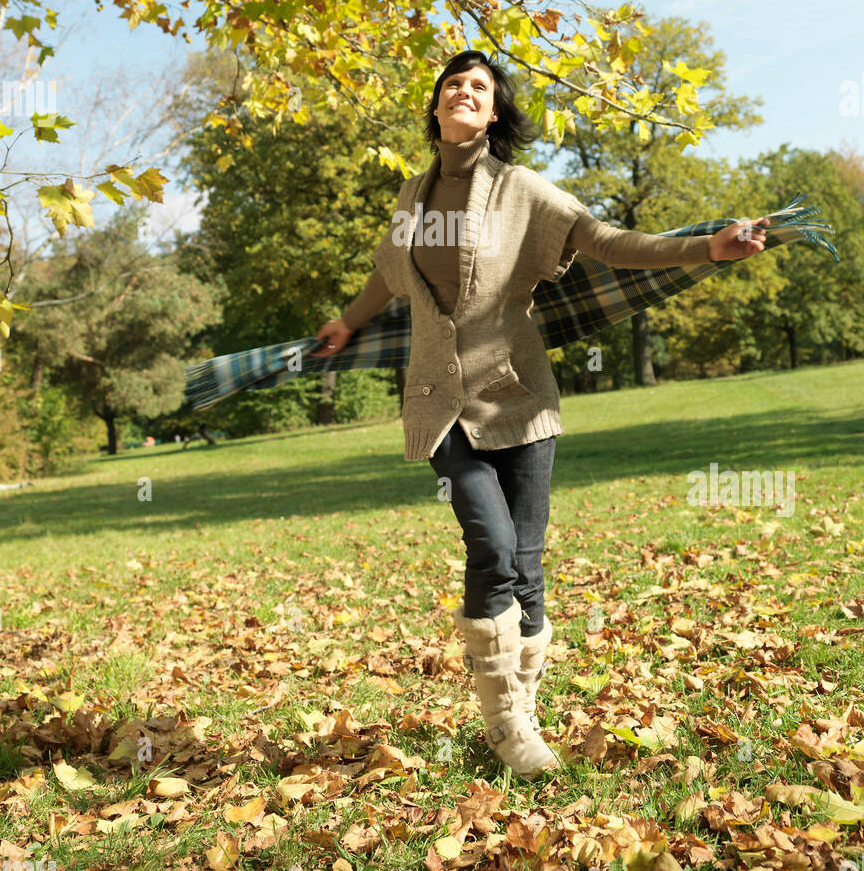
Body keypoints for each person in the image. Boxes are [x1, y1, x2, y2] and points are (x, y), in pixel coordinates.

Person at [313, 51, 769, 779]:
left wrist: (704, 250)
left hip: (521, 401)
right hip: (441, 403)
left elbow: (605, 240)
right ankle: (506, 726)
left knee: (525, 565)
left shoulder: (520, 190)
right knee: (491, 547)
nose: (464, 92)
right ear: (436, 108)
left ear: (493, 115)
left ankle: (519, 712)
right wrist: (345, 321)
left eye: (480, 87)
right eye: (453, 84)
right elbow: (387, 272)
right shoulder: (414, 196)